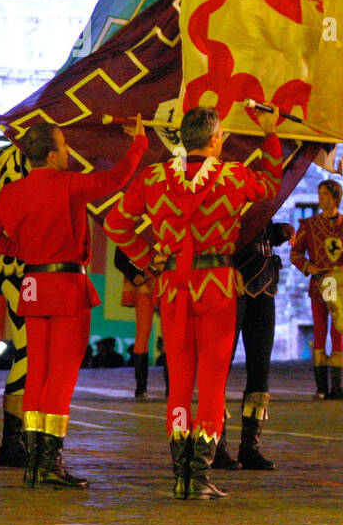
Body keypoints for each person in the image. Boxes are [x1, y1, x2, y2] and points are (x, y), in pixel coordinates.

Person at [105, 104, 284, 500]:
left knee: (180, 384)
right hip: (216, 285)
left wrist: (148, 258)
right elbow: (272, 184)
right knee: (212, 382)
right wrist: (270, 135)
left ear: (183, 139)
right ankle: (200, 476)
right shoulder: (233, 176)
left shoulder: (152, 178)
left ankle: (181, 474)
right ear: (217, 139)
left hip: (172, 287)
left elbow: (116, 223)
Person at [0, 119, 148, 489]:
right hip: (67, 283)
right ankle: (49, 462)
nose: (69, 151)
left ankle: (35, 462)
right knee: (63, 373)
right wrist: (138, 145)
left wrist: (20, 252)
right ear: (53, 154)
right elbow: (116, 180)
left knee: (37, 371)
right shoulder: (68, 185)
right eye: (65, 145)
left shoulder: (13, 192)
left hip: (33, 284)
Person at [0, 142, 33, 467]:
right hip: (19, 264)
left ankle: (19, 440)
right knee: (28, 352)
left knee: (30, 352)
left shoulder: (9, 161)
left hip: (22, 264)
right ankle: (13, 442)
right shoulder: (18, 164)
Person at [290, 180, 343, 401]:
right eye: (319, 194)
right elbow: (296, 254)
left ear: (335, 198)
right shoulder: (310, 225)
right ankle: (321, 387)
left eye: (324, 194)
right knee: (320, 332)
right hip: (320, 283)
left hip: (341, 285)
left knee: (338, 331)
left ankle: (337, 387)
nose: (320, 198)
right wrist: (308, 267)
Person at [232, 219, 294, 469]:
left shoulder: (264, 191)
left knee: (260, 371)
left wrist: (277, 232)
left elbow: (260, 229)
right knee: (218, 370)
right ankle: (215, 444)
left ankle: (250, 446)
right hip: (231, 280)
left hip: (264, 283)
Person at [113, 247, 156, 397]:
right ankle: (141, 387)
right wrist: (136, 275)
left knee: (172, 338)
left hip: (168, 281)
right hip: (145, 283)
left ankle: (172, 388)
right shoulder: (137, 225)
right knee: (143, 335)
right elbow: (120, 259)